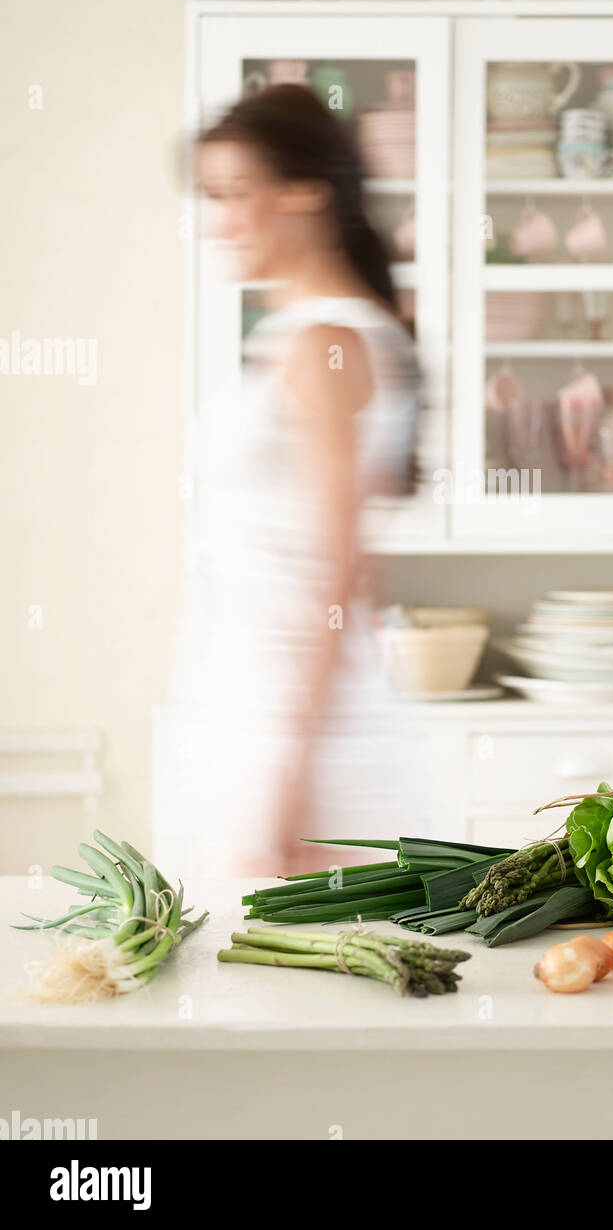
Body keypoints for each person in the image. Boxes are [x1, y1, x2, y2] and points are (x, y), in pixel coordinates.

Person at [172, 83, 419, 878]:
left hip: (292, 731)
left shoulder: (328, 342)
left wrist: (291, 777)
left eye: (237, 193)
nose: (220, 219)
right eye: (211, 196)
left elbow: (340, 568)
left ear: (307, 190)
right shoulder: (315, 335)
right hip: (250, 713)